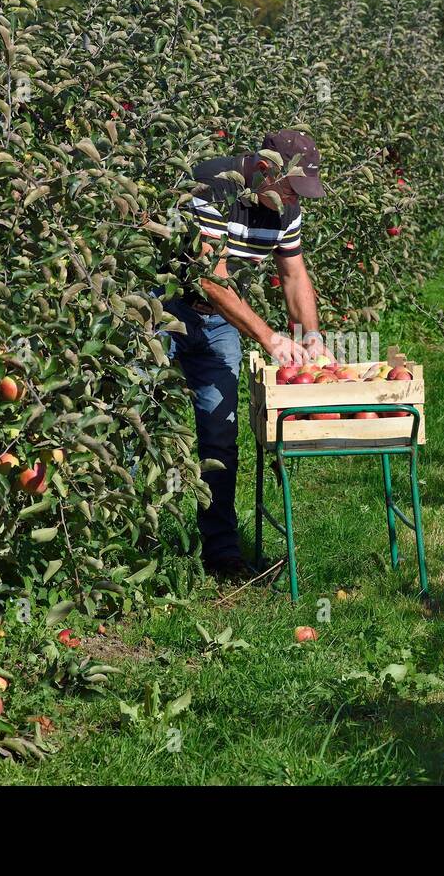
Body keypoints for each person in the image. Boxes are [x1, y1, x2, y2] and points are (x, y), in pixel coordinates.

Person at [167, 130, 331, 578]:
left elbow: (294, 276)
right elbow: (211, 279)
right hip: (158, 312)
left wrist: (310, 336)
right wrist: (270, 337)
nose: (294, 200)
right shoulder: (212, 187)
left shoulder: (286, 211)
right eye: (290, 188)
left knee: (220, 433)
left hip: (220, 322)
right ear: (264, 169)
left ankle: (221, 553)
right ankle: (124, 545)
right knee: (137, 418)